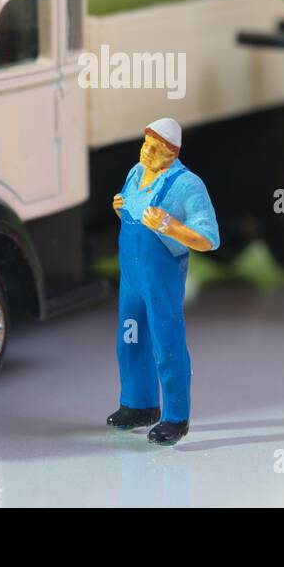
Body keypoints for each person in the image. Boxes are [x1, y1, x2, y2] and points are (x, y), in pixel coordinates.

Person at [106, 117, 219, 446]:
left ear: (173, 152)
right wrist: (119, 208)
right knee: (129, 340)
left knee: (166, 345)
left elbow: (208, 239)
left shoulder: (187, 185)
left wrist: (169, 224)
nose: (147, 152)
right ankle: (138, 405)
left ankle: (175, 417)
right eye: (146, 144)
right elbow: (132, 214)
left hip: (161, 279)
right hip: (130, 278)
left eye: (156, 149)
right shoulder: (135, 173)